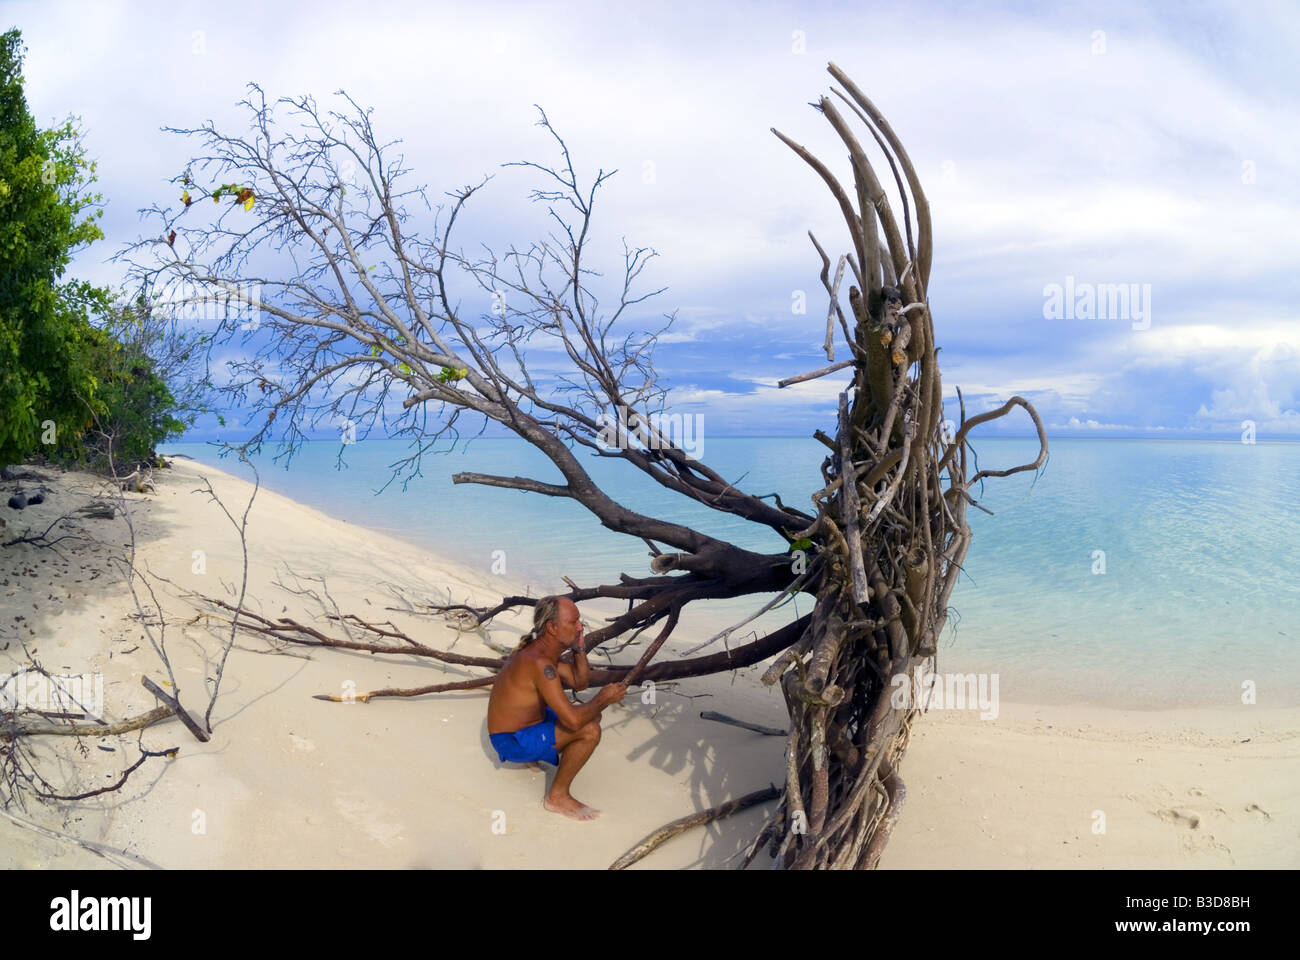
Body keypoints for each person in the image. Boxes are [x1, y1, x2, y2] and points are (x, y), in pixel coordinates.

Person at [487, 595, 628, 821]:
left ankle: (536, 755)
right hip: (510, 741)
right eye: (573, 622)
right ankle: (557, 797)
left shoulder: (543, 655)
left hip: (526, 725)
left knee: (590, 713)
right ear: (552, 628)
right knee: (589, 728)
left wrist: (579, 648)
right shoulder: (540, 663)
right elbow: (573, 721)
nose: (580, 626)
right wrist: (603, 698)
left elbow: (579, 682)